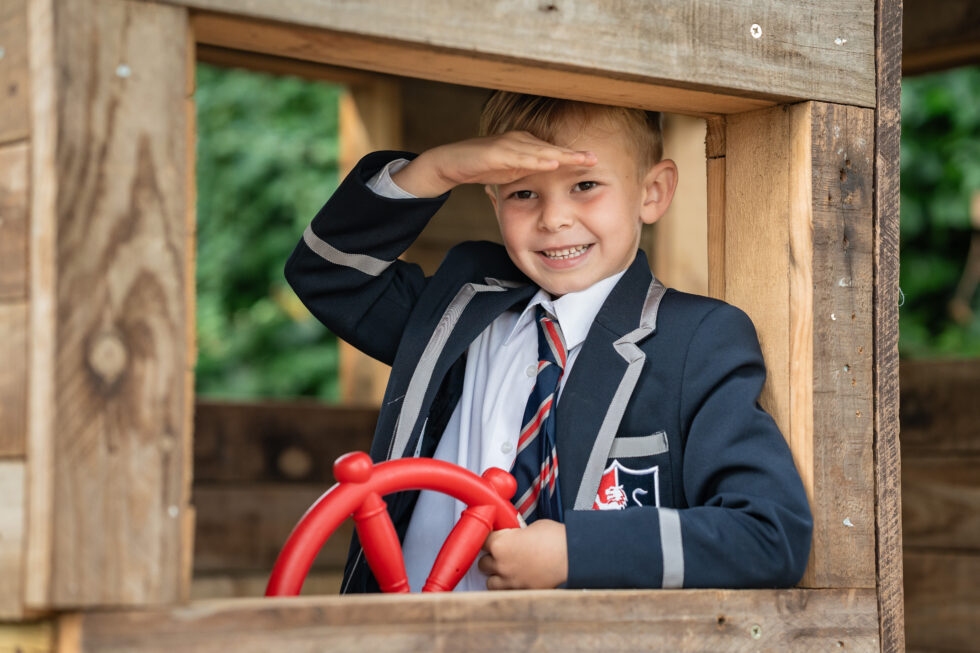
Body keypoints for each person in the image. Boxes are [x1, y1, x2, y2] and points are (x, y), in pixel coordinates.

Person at [284, 91, 812, 594]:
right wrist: (440, 168)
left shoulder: (698, 339)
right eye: (522, 192)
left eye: (585, 185)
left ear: (652, 192)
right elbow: (326, 273)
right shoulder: (460, 310)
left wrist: (575, 553)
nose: (553, 218)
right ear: (492, 201)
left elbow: (770, 536)